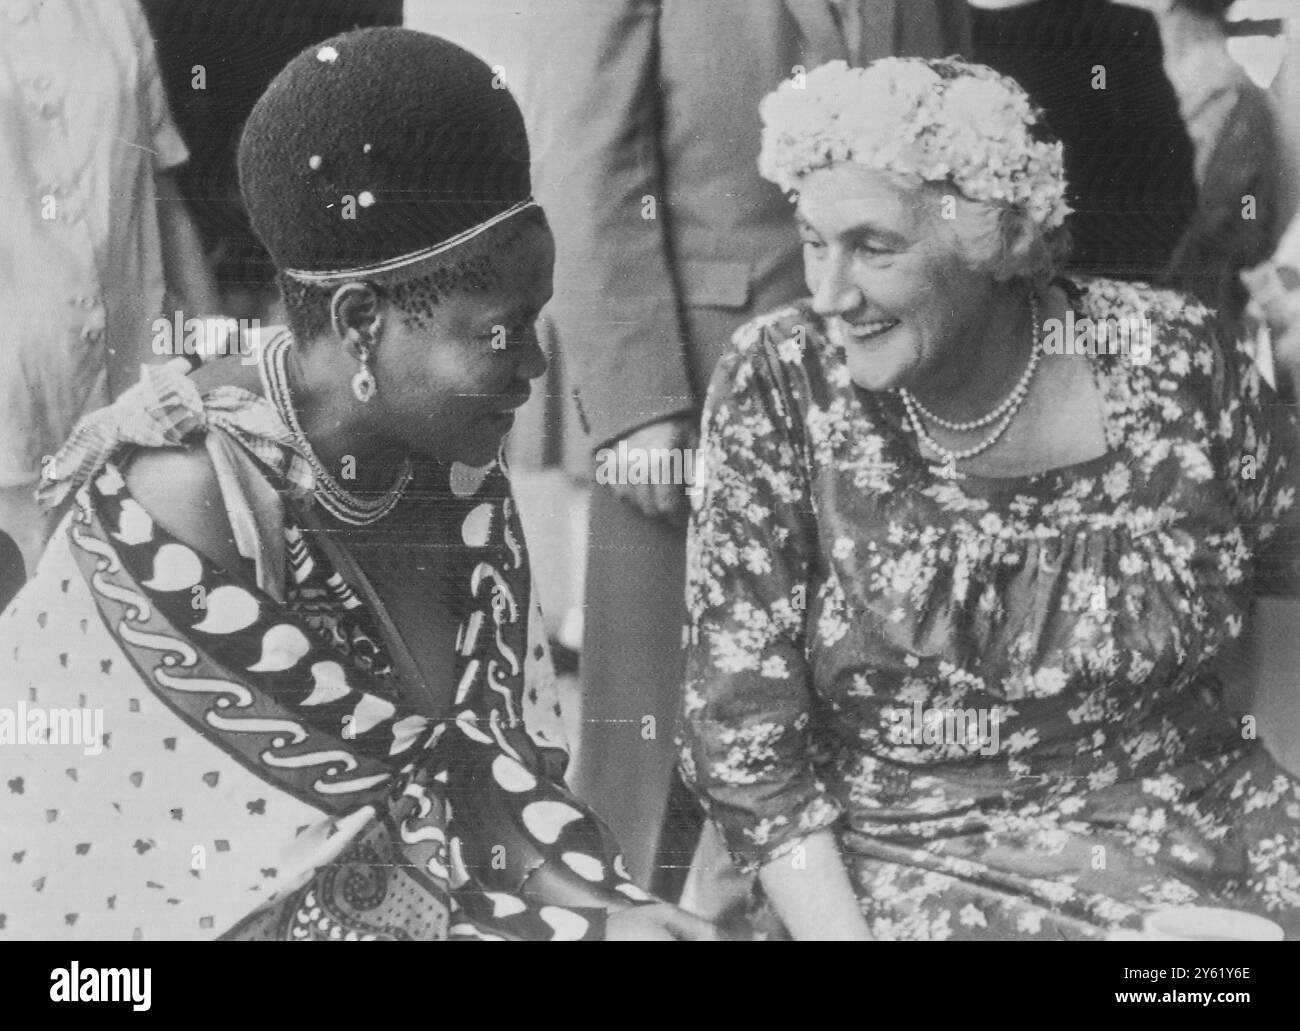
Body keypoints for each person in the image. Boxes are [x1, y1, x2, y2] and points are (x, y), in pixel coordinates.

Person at [0, 28, 715, 942]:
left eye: (537, 320)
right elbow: (263, 892)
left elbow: (474, 775)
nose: (532, 362)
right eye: (500, 330)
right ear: (360, 319)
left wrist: (612, 908)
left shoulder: (451, 463)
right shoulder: (188, 490)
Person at [678, 57, 1300, 940]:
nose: (828, 293)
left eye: (873, 247)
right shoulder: (782, 382)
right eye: (814, 242)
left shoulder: (1174, 357)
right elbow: (746, 744)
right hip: (911, 859)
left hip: (1198, 821)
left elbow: (1287, 574)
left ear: (996, 238)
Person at [518, 0, 972, 891]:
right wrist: (637, 401)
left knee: (867, 722)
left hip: (892, 390)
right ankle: (623, 917)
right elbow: (584, 159)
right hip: (689, 393)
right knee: (648, 747)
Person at [0, 0, 220, 582]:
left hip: (139, 389)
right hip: (15, 403)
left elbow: (163, 190)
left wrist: (219, 350)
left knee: (149, 611)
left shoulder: (111, 10)